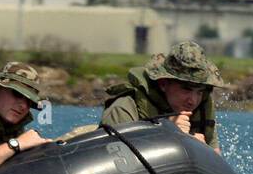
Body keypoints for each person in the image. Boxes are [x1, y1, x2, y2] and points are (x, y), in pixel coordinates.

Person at [67, 40, 225, 152]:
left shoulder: (203, 107)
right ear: (163, 83)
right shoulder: (125, 108)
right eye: (186, 89)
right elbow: (113, 157)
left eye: (199, 91)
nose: (193, 100)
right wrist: (169, 133)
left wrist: (200, 149)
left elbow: (215, 157)